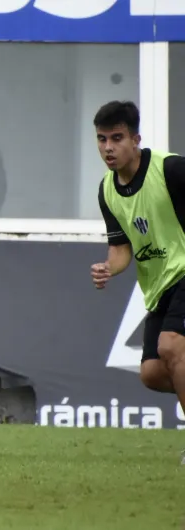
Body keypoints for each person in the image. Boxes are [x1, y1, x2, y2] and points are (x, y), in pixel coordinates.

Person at [91, 100, 185, 425]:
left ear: (136, 139)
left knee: (172, 345)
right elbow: (120, 248)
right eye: (102, 139)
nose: (108, 147)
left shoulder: (170, 169)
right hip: (160, 288)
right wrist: (108, 268)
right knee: (152, 372)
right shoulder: (107, 191)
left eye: (116, 138)